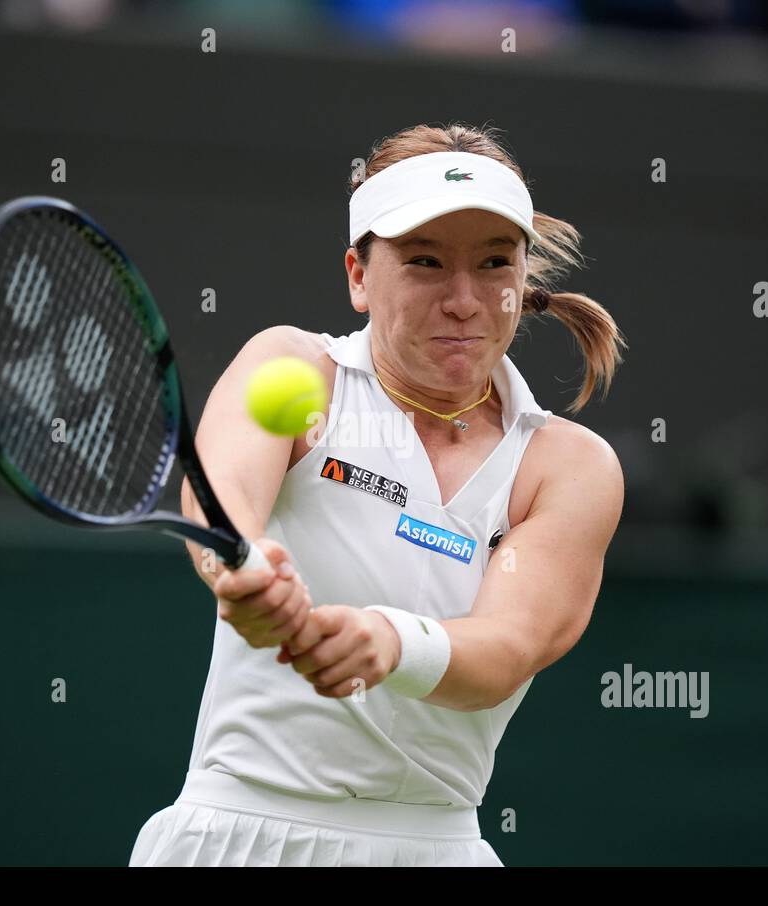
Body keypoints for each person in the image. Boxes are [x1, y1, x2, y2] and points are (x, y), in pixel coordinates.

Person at [129, 122, 626, 866]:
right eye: (425, 262)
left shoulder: (569, 465)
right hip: (234, 837)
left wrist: (393, 642)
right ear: (359, 276)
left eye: (495, 264)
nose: (465, 300)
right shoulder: (298, 369)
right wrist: (240, 568)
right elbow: (223, 495)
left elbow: (508, 648)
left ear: (523, 281)